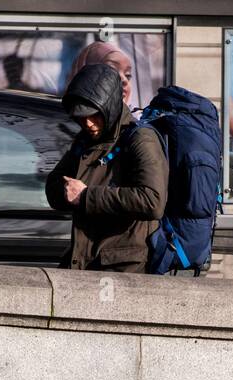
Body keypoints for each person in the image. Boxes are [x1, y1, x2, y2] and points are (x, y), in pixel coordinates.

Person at [45, 63, 168, 273]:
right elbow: (55, 185)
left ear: (109, 107)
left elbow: (152, 201)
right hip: (86, 260)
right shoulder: (85, 140)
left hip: (124, 267)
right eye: (81, 118)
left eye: (94, 115)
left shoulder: (141, 139)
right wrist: (67, 193)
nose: (89, 123)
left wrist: (85, 197)